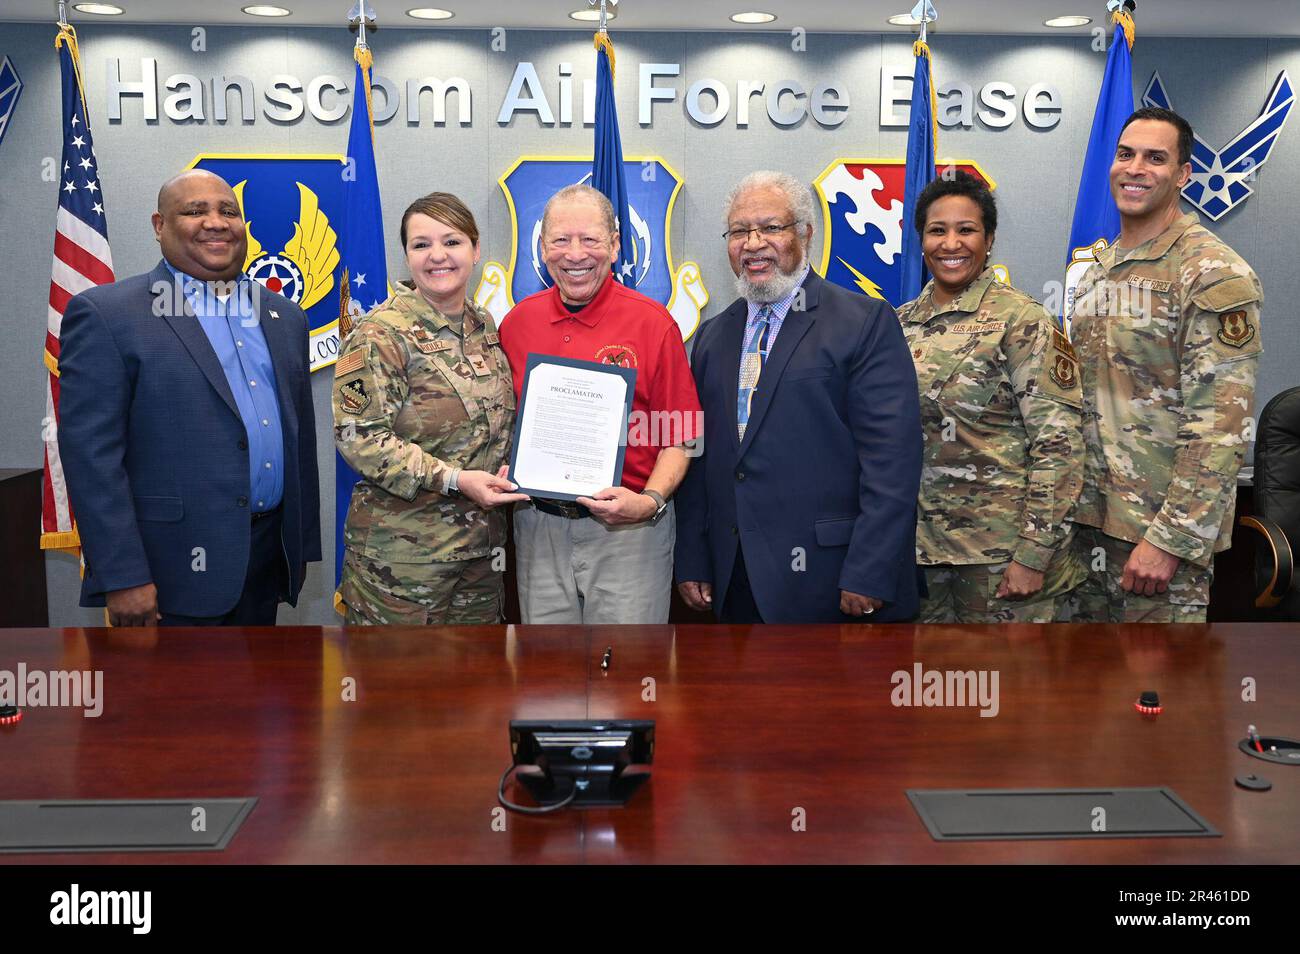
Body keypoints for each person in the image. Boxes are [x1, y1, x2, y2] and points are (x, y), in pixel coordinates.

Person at [58, 169, 321, 626]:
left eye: (228, 211)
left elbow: (297, 438)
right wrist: (122, 576)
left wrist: (297, 548)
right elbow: (91, 458)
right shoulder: (108, 315)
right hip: (168, 575)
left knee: (258, 698)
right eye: (194, 211)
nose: (215, 222)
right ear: (160, 226)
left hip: (265, 560)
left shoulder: (284, 316)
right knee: (175, 700)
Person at [674, 170, 923, 623]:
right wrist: (693, 555)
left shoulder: (863, 322)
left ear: (805, 234)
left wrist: (870, 570)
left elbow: (893, 462)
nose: (753, 243)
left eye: (770, 228)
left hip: (831, 576)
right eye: (739, 231)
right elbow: (699, 455)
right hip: (734, 577)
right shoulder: (713, 335)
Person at [1069, 106, 1263, 622]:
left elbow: (1221, 427)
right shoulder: (1098, 270)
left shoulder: (1211, 272)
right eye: (1125, 154)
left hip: (1153, 543)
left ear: (1183, 175)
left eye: (1156, 158)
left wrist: (1171, 541)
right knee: (1081, 697)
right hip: (1085, 530)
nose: (1135, 168)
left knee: (1158, 697)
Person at [499, 184, 702, 624]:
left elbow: (684, 435)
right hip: (538, 527)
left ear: (614, 245)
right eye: (560, 240)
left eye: (590, 239)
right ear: (542, 247)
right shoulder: (517, 324)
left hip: (629, 531)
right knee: (548, 677)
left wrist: (649, 502)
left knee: (626, 673)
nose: (575, 254)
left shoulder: (653, 323)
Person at [896, 172, 1085, 622]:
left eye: (967, 230)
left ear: (989, 238)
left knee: (1006, 690)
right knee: (933, 689)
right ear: (921, 239)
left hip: (999, 559)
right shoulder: (898, 323)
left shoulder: (1022, 321)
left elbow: (1058, 445)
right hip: (920, 555)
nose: (951, 243)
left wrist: (1033, 554)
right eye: (937, 230)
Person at [334, 192, 525, 625]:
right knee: (400, 688)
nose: (437, 255)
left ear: (476, 250)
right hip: (402, 562)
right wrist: (456, 479)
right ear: (407, 256)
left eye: (452, 241)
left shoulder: (484, 327)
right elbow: (360, 439)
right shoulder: (379, 334)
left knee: (474, 685)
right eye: (421, 245)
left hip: (481, 552)